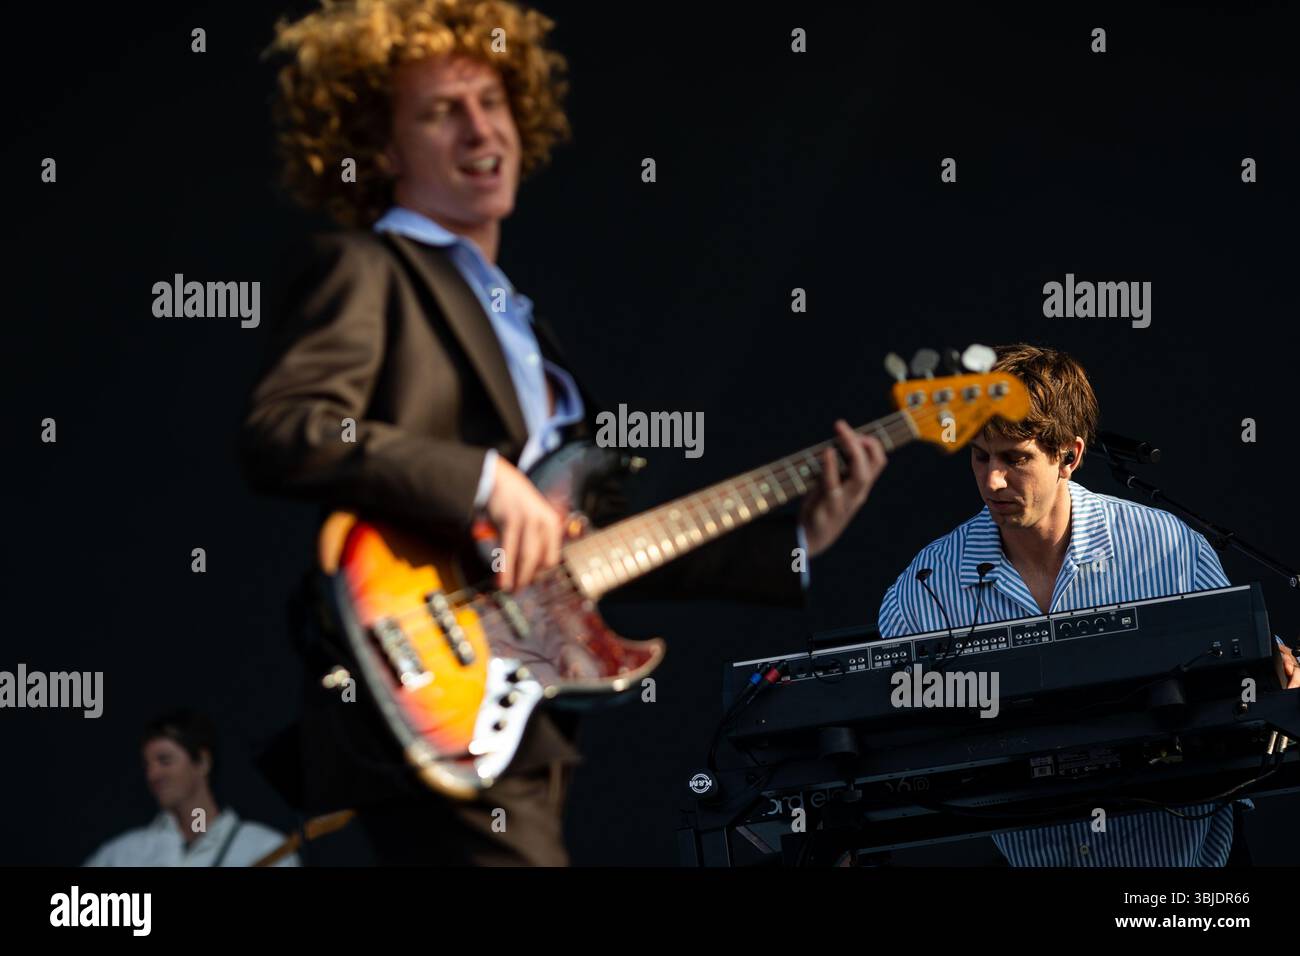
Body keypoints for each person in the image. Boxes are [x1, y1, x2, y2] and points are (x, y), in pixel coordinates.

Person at [242, 0, 887, 865]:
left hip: (511, 710)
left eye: (493, 102)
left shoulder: (517, 322)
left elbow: (602, 538)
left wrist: (797, 539)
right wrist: (481, 478)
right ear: (383, 148)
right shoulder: (366, 269)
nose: (481, 127)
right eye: (442, 110)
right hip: (424, 669)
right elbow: (290, 429)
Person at [878, 342, 1299, 866]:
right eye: (979, 455)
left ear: (1069, 456)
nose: (992, 481)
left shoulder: (1166, 547)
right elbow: (890, 739)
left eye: (1016, 459)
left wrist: (1278, 666)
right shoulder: (925, 587)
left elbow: (1258, 667)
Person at [84, 709, 300, 867]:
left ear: (203, 762)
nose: (153, 775)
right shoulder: (120, 856)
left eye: (165, 760)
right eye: (147, 765)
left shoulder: (264, 848)